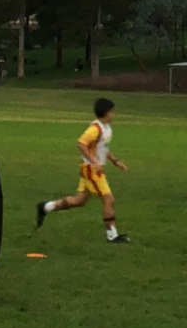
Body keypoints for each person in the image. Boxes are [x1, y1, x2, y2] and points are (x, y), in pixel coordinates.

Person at [36, 97, 130, 242]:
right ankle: (112, 236)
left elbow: (103, 148)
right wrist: (94, 162)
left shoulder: (106, 128)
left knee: (79, 201)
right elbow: (81, 143)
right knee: (108, 199)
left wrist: (115, 161)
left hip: (90, 169)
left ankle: (46, 207)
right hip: (92, 170)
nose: (114, 115)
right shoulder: (95, 128)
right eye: (112, 112)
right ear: (106, 113)